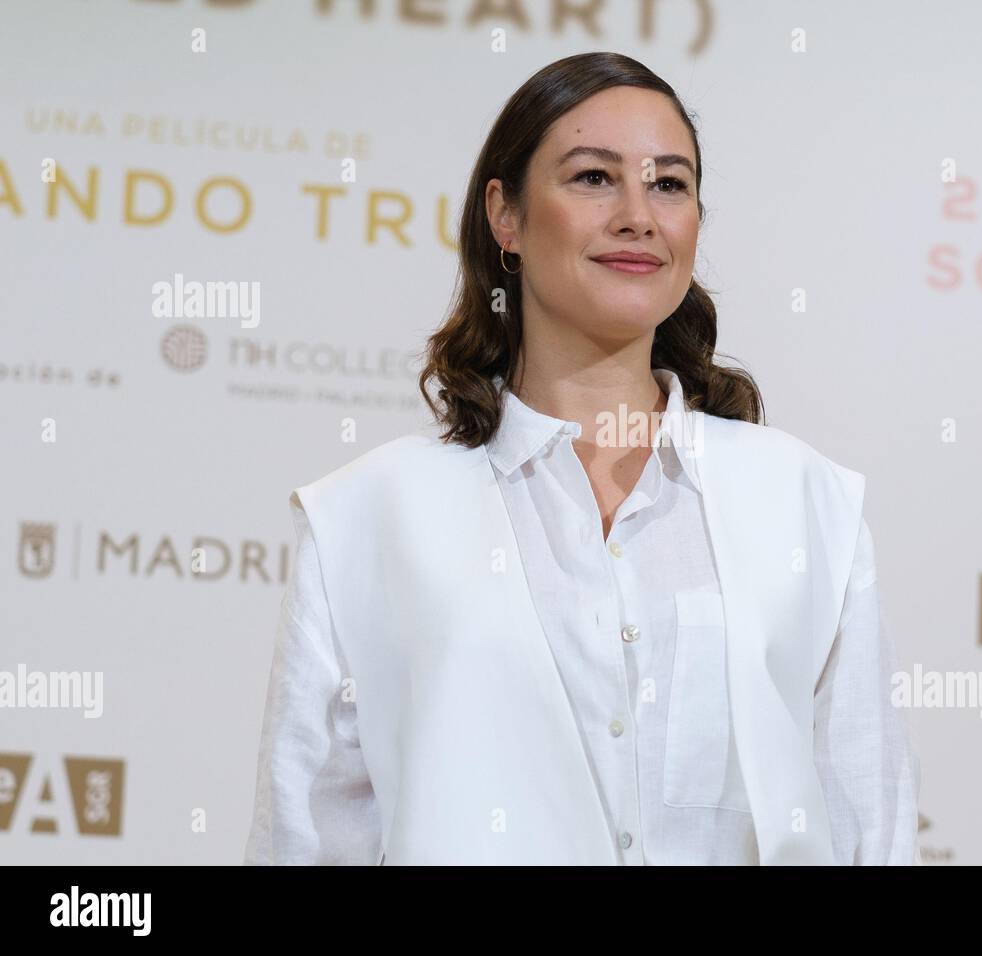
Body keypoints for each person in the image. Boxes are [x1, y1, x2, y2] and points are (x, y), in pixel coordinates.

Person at [244, 51, 919, 866]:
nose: (638, 216)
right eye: (595, 178)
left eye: (668, 184)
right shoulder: (367, 517)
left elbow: (867, 830)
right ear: (507, 217)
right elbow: (308, 843)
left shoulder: (807, 502)